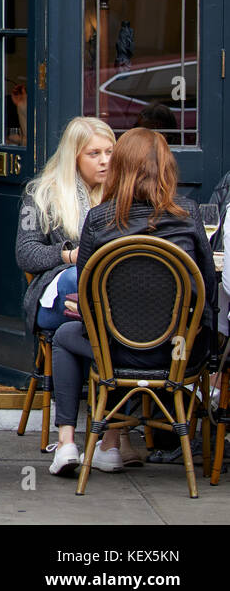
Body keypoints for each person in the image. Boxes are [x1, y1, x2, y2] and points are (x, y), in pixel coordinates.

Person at [48, 128, 217, 477]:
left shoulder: (99, 219)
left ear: (120, 167)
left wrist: (93, 313)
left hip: (114, 353)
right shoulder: (187, 213)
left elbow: (87, 287)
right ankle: (112, 442)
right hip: (176, 353)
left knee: (65, 335)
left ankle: (67, 442)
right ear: (167, 167)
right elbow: (208, 289)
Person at [16, 117, 115, 337]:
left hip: (109, 288)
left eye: (109, 152)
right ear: (74, 157)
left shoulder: (118, 195)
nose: (105, 161)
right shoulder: (40, 195)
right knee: (76, 277)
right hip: (60, 294)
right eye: (94, 153)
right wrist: (70, 255)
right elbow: (26, 253)